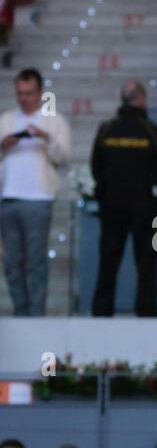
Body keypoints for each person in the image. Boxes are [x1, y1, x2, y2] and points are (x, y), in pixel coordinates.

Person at [89, 80, 157, 318]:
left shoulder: (106, 129)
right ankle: (146, 316)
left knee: (108, 265)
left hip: (111, 207)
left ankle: (101, 315)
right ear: (142, 100)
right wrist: (153, 189)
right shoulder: (152, 131)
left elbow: (95, 167)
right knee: (146, 267)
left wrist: (108, 190)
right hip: (145, 208)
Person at [1, 68, 71, 317]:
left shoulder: (54, 120)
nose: (24, 98)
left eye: (29, 93)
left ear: (40, 93)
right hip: (8, 196)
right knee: (11, 263)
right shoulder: (7, 119)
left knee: (36, 260)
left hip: (39, 199)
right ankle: (21, 310)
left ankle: (37, 313)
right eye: (20, 93)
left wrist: (45, 137)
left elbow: (64, 158)